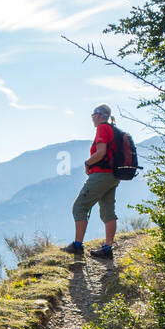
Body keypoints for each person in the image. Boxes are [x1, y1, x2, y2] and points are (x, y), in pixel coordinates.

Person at [63, 104, 120, 260]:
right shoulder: (113, 129)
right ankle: (108, 249)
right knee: (108, 211)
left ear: (99, 115)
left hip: (101, 175)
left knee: (80, 206)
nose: (92, 118)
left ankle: (77, 246)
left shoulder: (102, 128)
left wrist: (87, 163)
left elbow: (101, 152)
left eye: (93, 115)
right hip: (113, 176)